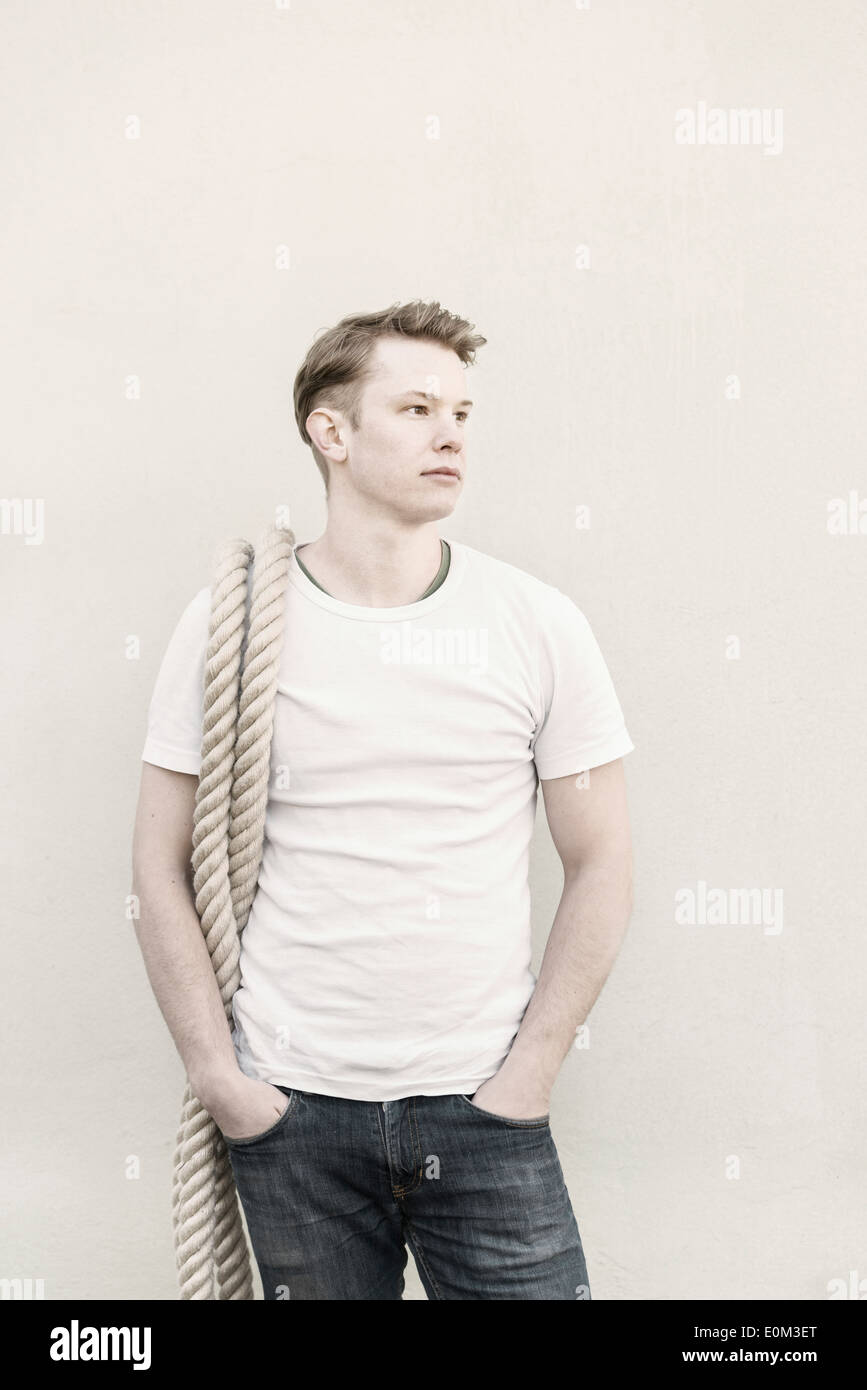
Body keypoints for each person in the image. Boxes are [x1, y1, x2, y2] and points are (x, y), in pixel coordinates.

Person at [131, 299, 635, 1300]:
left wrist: (527, 1077)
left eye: (460, 412)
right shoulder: (230, 624)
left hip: (483, 1107)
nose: (451, 434)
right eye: (415, 409)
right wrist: (223, 1082)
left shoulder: (536, 623)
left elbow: (603, 862)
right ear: (331, 432)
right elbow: (157, 864)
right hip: (292, 1110)